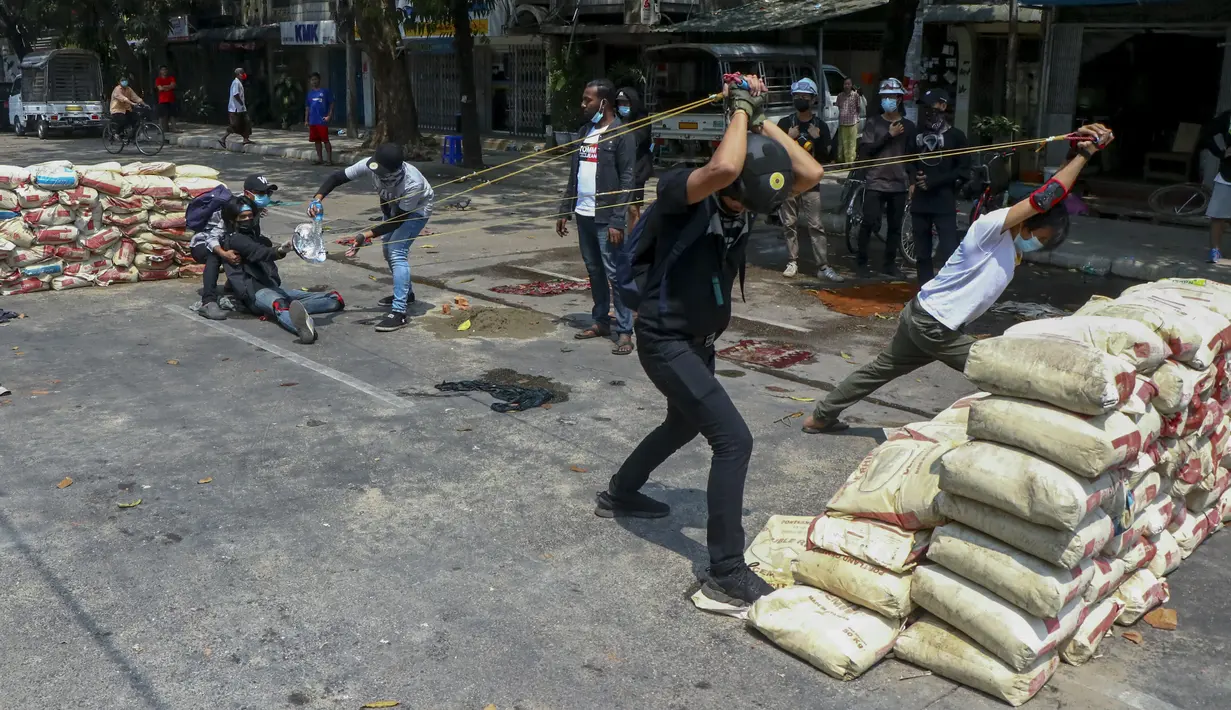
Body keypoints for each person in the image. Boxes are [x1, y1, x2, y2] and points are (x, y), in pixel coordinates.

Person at [598, 75, 825, 611]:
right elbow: (723, 168)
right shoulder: (682, 190)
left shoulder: (744, 193)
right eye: (742, 200)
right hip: (662, 336)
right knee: (733, 440)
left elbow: (812, 173)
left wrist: (764, 115)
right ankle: (724, 572)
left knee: (682, 422)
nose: (746, 209)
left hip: (698, 340)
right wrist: (739, 110)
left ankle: (621, 490)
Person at [801, 124, 1113, 433]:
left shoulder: (1011, 245)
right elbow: (1045, 197)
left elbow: (1051, 197)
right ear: (1029, 221)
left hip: (925, 315)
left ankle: (821, 416)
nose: (1039, 246)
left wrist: (1074, 150)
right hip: (934, 325)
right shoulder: (992, 228)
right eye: (1040, 238)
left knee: (878, 371)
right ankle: (1012, 435)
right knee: (999, 373)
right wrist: (1085, 154)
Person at [309, 143, 433, 333]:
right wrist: (317, 199)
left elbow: (396, 222)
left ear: (395, 170)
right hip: (392, 208)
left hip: (415, 211)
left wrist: (363, 236)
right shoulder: (370, 164)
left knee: (396, 252)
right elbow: (337, 177)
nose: (377, 173)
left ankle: (399, 313)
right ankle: (406, 294)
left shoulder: (412, 183)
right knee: (387, 249)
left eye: (383, 171)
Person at [554, 79, 637, 356]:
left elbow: (628, 179)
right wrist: (565, 209)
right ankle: (601, 321)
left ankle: (625, 331)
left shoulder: (622, 134)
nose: (583, 104)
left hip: (606, 218)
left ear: (604, 103)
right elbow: (574, 174)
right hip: (583, 214)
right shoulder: (585, 132)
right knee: (594, 271)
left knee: (616, 274)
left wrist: (617, 220)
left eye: (587, 100)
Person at [218, 197, 344, 344]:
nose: (248, 219)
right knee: (280, 303)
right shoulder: (235, 240)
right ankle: (302, 328)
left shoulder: (258, 238)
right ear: (233, 220)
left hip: (272, 286)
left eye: (250, 215)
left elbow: (262, 248)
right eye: (243, 217)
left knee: (332, 300)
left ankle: (304, 309)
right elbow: (258, 252)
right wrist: (280, 250)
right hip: (254, 292)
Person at [187, 174, 280, 320]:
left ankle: (234, 284)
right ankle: (208, 301)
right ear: (248, 193)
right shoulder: (233, 207)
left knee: (260, 243)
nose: (266, 196)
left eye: (268, 193)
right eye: (261, 193)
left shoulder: (255, 207)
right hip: (203, 243)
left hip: (227, 239)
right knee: (216, 253)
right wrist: (224, 254)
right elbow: (212, 238)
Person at [778, 77, 842, 282]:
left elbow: (827, 157)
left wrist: (817, 138)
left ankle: (822, 266)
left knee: (816, 224)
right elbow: (776, 153)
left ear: (813, 100)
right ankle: (792, 261)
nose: (801, 100)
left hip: (811, 183)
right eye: (797, 96)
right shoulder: (785, 124)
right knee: (789, 222)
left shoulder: (820, 126)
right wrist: (788, 137)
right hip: (789, 182)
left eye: (805, 97)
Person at [904, 89, 969, 285]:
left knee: (950, 250)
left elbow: (964, 170)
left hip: (943, 201)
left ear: (943, 106)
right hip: (920, 203)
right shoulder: (916, 134)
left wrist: (935, 181)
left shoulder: (956, 137)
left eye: (930, 106)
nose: (927, 111)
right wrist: (915, 178)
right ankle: (925, 289)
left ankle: (951, 288)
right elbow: (908, 160)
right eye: (924, 107)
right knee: (922, 252)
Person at [857, 78, 915, 277]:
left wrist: (913, 181)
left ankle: (889, 265)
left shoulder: (908, 126)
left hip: (899, 184)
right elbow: (866, 151)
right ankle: (861, 263)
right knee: (868, 222)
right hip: (875, 181)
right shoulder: (873, 123)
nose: (888, 100)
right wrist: (888, 135)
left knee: (895, 227)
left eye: (891, 97)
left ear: (899, 99)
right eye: (884, 97)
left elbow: (912, 157)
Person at [616, 86, 653, 231]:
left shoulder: (642, 120)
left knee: (633, 209)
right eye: (620, 103)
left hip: (637, 170)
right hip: (619, 170)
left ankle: (633, 242)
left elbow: (635, 140)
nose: (622, 107)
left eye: (626, 103)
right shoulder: (616, 120)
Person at [1200, 109, 1231, 262]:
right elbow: (1206, 133)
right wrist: (1220, 153)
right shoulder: (1228, 116)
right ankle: (1215, 251)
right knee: (1218, 215)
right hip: (1228, 174)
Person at [305, 72, 334, 165]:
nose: (314, 81)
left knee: (325, 140)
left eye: (315, 79)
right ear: (310, 81)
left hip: (322, 120)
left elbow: (332, 103)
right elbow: (307, 107)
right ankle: (319, 159)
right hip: (313, 121)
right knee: (317, 141)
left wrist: (329, 115)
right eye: (312, 80)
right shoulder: (310, 94)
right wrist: (306, 120)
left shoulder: (325, 92)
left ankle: (329, 160)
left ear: (319, 80)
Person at [220, 68, 252, 148]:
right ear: (238, 74)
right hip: (236, 109)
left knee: (245, 122)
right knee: (235, 125)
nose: (243, 74)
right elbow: (235, 94)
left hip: (240, 108)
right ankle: (223, 138)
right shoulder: (236, 83)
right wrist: (241, 102)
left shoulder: (239, 83)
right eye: (242, 73)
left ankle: (246, 139)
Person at [836, 77, 862, 165]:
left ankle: (851, 163)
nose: (847, 86)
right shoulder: (839, 96)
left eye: (848, 84)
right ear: (843, 85)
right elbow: (839, 107)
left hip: (853, 123)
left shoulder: (856, 95)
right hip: (843, 123)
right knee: (843, 144)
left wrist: (857, 120)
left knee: (852, 144)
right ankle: (844, 163)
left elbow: (858, 108)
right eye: (845, 84)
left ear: (851, 85)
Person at [154, 65, 178, 137]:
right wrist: (169, 86)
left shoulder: (171, 78)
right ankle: (160, 129)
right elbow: (160, 88)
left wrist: (164, 86)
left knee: (172, 114)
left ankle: (174, 128)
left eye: (165, 70)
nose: (164, 71)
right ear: (160, 71)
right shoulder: (158, 79)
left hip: (171, 98)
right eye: (162, 70)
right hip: (162, 99)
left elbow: (173, 85)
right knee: (161, 115)